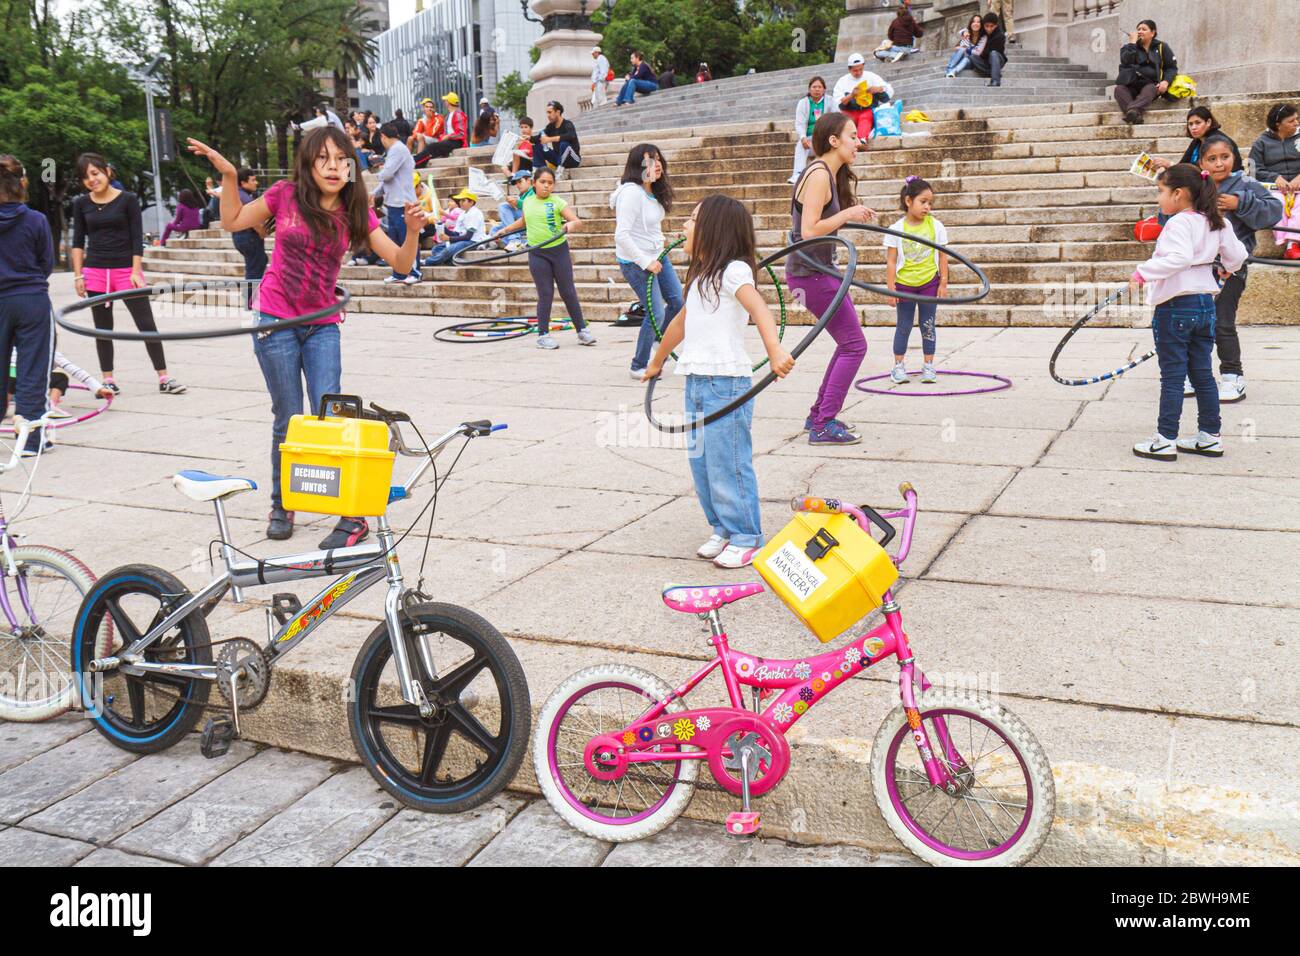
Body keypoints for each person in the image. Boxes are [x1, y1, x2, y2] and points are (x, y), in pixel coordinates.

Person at [187, 126, 424, 544]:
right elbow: (232, 220)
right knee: (289, 417)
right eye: (322, 159)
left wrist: (414, 230)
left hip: (321, 324)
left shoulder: (356, 209)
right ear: (309, 164)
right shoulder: (285, 194)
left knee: (330, 414)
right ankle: (283, 504)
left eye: (340, 159)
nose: (333, 167)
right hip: (275, 319)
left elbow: (402, 266)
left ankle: (349, 513)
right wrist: (227, 175)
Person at [642, 195, 793, 570]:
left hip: (726, 384)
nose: (683, 227)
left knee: (729, 462)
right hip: (696, 380)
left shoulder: (733, 272)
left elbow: (759, 309)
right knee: (703, 462)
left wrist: (774, 352)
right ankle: (722, 528)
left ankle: (747, 536)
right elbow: (680, 324)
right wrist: (657, 360)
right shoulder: (701, 277)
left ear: (714, 229)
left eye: (692, 220)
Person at [1129, 164, 1247, 462]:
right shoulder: (1217, 221)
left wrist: (1142, 272)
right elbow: (1239, 256)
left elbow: (1179, 258)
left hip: (1175, 307)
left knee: (1172, 376)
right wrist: (1225, 270)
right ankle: (1209, 437)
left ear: (1179, 194)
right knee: (1203, 374)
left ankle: (1164, 439)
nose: (1159, 199)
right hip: (1205, 306)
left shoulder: (1179, 222)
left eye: (1161, 192)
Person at [787, 111, 877, 445]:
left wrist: (847, 214)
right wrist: (848, 214)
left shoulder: (826, 175)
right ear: (833, 140)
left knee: (848, 344)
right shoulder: (819, 174)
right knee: (855, 345)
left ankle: (818, 416)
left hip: (818, 271)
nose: (859, 141)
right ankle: (824, 422)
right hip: (809, 274)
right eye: (853, 136)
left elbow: (819, 225)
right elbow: (809, 230)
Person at [70, 153, 184, 395]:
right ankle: (108, 379)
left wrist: (135, 270)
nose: (91, 180)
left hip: (125, 271)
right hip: (96, 271)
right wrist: (78, 275)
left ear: (107, 171)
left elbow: (136, 238)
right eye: (85, 177)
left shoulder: (128, 200)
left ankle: (164, 377)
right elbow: (78, 242)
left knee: (146, 324)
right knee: (102, 328)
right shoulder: (81, 204)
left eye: (95, 173)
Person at [1199, 135, 1283, 403]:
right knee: (1192, 322)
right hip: (1198, 268)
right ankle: (1194, 374)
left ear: (1234, 157)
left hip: (1232, 268)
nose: (1219, 164)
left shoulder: (1246, 183)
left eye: (1224, 157)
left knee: (1222, 321)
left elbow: (1274, 210)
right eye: (1212, 159)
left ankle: (1232, 376)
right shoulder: (1197, 186)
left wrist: (1241, 203)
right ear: (1202, 162)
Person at [493, 167, 594, 350]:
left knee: (568, 292)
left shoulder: (558, 202)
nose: (546, 186)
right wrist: (505, 230)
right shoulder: (528, 202)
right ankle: (543, 335)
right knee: (545, 294)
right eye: (542, 182)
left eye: (550, 183)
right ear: (534, 183)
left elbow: (577, 221)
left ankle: (582, 331)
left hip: (559, 251)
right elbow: (524, 222)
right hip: (537, 253)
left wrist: (569, 226)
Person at [611, 143, 683, 379]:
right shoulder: (631, 193)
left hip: (658, 257)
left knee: (677, 303)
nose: (657, 164)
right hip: (636, 262)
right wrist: (645, 261)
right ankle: (638, 365)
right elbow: (621, 236)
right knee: (656, 313)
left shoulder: (652, 190)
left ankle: (656, 339)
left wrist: (657, 249)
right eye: (650, 161)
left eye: (658, 159)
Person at [0, 155, 55, 456]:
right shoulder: (36, 219)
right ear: (21, 183)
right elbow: (45, 263)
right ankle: (31, 441)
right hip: (31, 299)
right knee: (32, 369)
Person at [885, 176, 948, 385]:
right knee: (903, 325)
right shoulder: (896, 229)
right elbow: (892, 261)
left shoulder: (936, 226)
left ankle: (928, 366)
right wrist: (891, 288)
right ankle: (898, 367)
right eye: (923, 202)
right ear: (908, 201)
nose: (927, 207)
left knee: (928, 325)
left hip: (929, 282)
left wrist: (943, 283)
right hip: (904, 285)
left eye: (930, 203)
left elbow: (942, 255)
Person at [367, 121, 420, 285]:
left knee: (406, 238)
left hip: (403, 202)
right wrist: (374, 193)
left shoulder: (397, 149)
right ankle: (399, 273)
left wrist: (379, 171)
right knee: (395, 239)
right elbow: (388, 180)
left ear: (383, 136)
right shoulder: (395, 150)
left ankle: (415, 272)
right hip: (394, 202)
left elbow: (387, 174)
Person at [1248, 103, 1300, 259]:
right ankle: (1287, 242)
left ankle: (1292, 245)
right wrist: (1275, 177)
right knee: (1277, 204)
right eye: (1291, 121)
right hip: (1275, 189)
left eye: (1296, 119)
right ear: (1278, 124)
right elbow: (1253, 170)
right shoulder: (1261, 143)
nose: (1296, 123)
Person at [1115, 19, 1177, 124]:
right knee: (1119, 89)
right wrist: (1132, 44)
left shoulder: (1162, 47)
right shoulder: (1128, 48)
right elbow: (1126, 61)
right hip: (1132, 85)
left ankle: (1132, 112)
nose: (1140, 31)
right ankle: (1135, 114)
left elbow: (1171, 68)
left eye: (1144, 29)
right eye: (1138, 29)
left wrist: (1166, 81)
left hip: (1152, 86)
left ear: (1152, 33)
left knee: (1151, 88)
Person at [1151, 107, 1243, 172]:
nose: (1193, 127)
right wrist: (1166, 165)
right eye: (1190, 124)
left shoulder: (1216, 141)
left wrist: (1169, 164)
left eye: (1198, 123)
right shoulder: (1197, 141)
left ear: (1208, 122)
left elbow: (1202, 168)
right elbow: (1183, 164)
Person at [831, 53, 888, 150]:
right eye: (855, 70)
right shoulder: (842, 81)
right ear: (849, 69)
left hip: (867, 110)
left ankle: (861, 141)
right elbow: (840, 103)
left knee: (866, 116)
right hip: (850, 111)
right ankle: (845, 142)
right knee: (844, 120)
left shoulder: (871, 77)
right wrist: (852, 95)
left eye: (860, 69)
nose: (858, 72)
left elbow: (885, 92)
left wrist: (877, 89)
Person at [231, 168, 268, 309]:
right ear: (243, 182)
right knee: (255, 267)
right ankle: (251, 302)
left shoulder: (238, 195)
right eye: (253, 180)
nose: (256, 183)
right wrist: (263, 231)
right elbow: (253, 220)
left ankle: (250, 300)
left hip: (240, 237)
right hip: (249, 236)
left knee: (254, 266)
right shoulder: (245, 197)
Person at [423, 189, 487, 266]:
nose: (460, 203)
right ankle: (453, 262)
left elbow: (468, 236)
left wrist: (449, 239)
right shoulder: (463, 213)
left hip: (473, 241)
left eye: (463, 200)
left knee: (449, 249)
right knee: (436, 249)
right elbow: (455, 233)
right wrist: (441, 226)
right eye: (460, 200)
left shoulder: (475, 213)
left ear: (471, 202)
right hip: (462, 240)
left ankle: (427, 262)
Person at [790, 76, 829, 184]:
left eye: (819, 87)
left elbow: (837, 118)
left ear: (824, 89)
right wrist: (803, 138)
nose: (817, 89)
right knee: (800, 145)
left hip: (826, 139)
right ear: (809, 89)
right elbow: (800, 123)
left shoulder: (830, 101)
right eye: (814, 87)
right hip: (810, 140)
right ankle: (797, 174)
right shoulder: (803, 103)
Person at [531, 101, 581, 178]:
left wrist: (550, 139)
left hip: (573, 160)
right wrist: (528, 138)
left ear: (557, 112)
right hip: (558, 158)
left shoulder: (568, 124)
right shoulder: (550, 126)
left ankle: (559, 172)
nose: (548, 115)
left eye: (550, 112)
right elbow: (539, 138)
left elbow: (571, 136)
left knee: (564, 144)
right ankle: (539, 172)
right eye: (547, 113)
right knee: (537, 146)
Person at [492, 169, 533, 246]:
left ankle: (514, 240)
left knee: (503, 206)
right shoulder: (522, 194)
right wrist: (514, 205)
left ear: (528, 180)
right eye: (516, 183)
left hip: (529, 222)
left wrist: (517, 202)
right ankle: (518, 243)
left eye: (520, 181)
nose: (517, 185)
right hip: (520, 224)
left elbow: (531, 206)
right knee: (495, 230)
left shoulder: (534, 191)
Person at [968, 12, 1009, 87]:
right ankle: (993, 72)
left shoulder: (1000, 35)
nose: (989, 29)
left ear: (996, 25)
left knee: (993, 53)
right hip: (985, 60)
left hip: (997, 59)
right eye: (986, 26)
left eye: (991, 26)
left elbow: (990, 51)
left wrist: (981, 50)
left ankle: (995, 81)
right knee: (972, 56)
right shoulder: (982, 33)